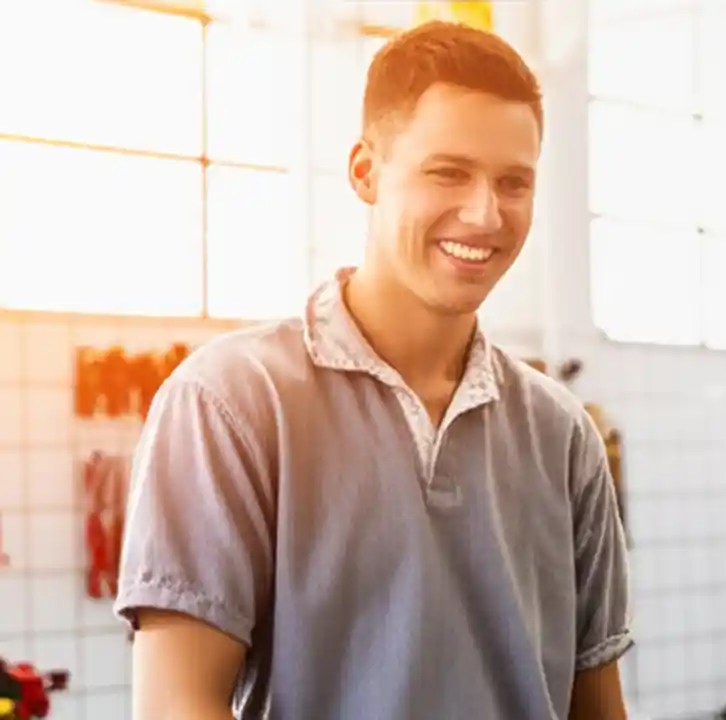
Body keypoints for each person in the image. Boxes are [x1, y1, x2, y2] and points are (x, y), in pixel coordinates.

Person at [114, 21, 632, 720]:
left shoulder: (561, 434)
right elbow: (179, 706)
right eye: (448, 171)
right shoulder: (230, 403)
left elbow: (595, 706)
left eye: (513, 182)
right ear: (365, 171)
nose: (484, 214)